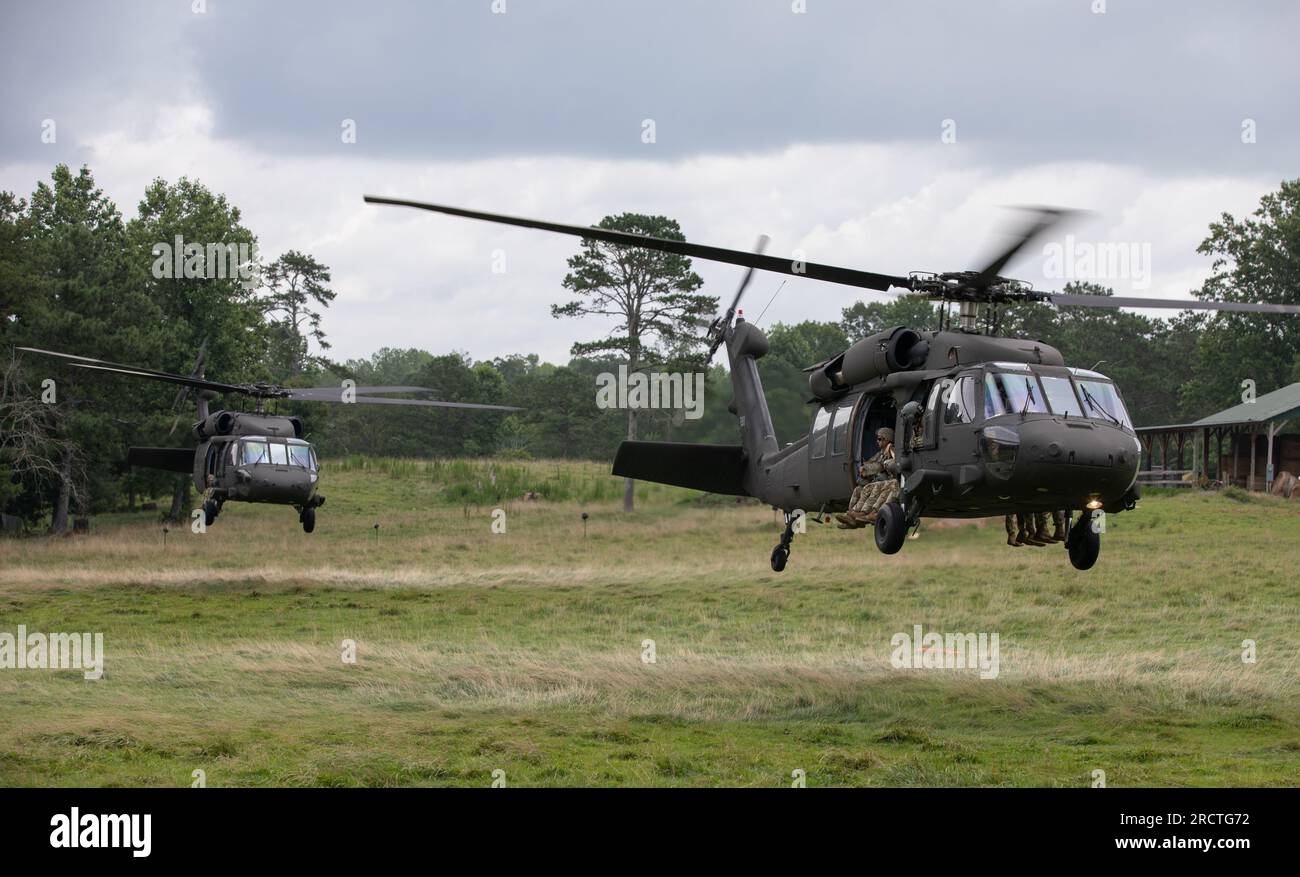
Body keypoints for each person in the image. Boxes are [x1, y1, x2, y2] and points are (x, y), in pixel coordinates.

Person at [837, 427, 899, 529]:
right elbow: (870, 463)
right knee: (858, 490)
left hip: (888, 482)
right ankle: (852, 517)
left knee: (871, 487)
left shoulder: (892, 449)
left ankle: (864, 513)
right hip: (879, 482)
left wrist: (890, 449)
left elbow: (894, 462)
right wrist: (864, 469)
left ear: (887, 439)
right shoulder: (880, 453)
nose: (877, 441)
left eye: (880, 439)